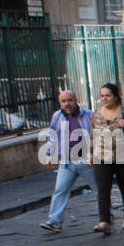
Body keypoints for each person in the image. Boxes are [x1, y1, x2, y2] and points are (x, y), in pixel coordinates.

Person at [89, 83, 124, 233]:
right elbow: (92, 134)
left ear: (115, 96)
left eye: (108, 95)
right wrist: (90, 153)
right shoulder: (96, 114)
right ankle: (105, 221)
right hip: (101, 156)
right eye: (102, 96)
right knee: (103, 189)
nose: (104, 98)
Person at [40, 89, 92, 232]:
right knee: (60, 190)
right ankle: (54, 221)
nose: (67, 103)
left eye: (70, 100)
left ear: (76, 100)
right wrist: (50, 154)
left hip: (87, 160)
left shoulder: (88, 115)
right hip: (66, 161)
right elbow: (52, 136)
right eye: (64, 101)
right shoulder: (57, 116)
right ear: (60, 102)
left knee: (100, 189)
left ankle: (107, 215)